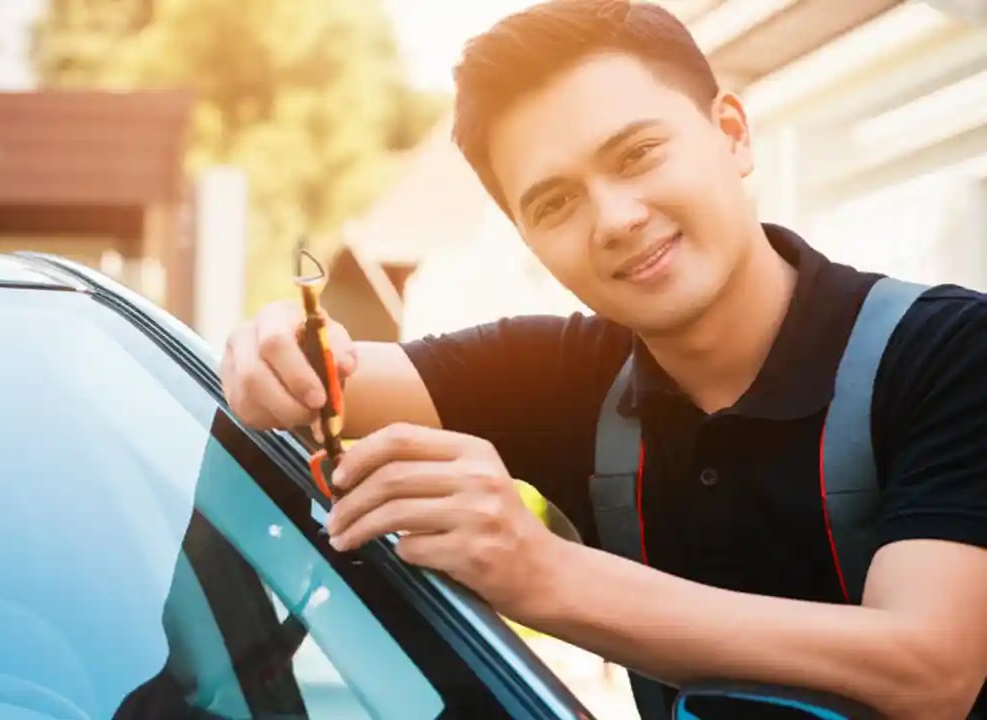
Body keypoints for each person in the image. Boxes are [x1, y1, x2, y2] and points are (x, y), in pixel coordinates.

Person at [219, 1, 987, 718]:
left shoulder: (950, 352)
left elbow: (934, 670)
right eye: (555, 203)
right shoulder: (559, 373)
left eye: (640, 153)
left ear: (732, 134)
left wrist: (542, 572)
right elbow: (325, 377)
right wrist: (277, 348)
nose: (616, 219)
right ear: (527, 238)